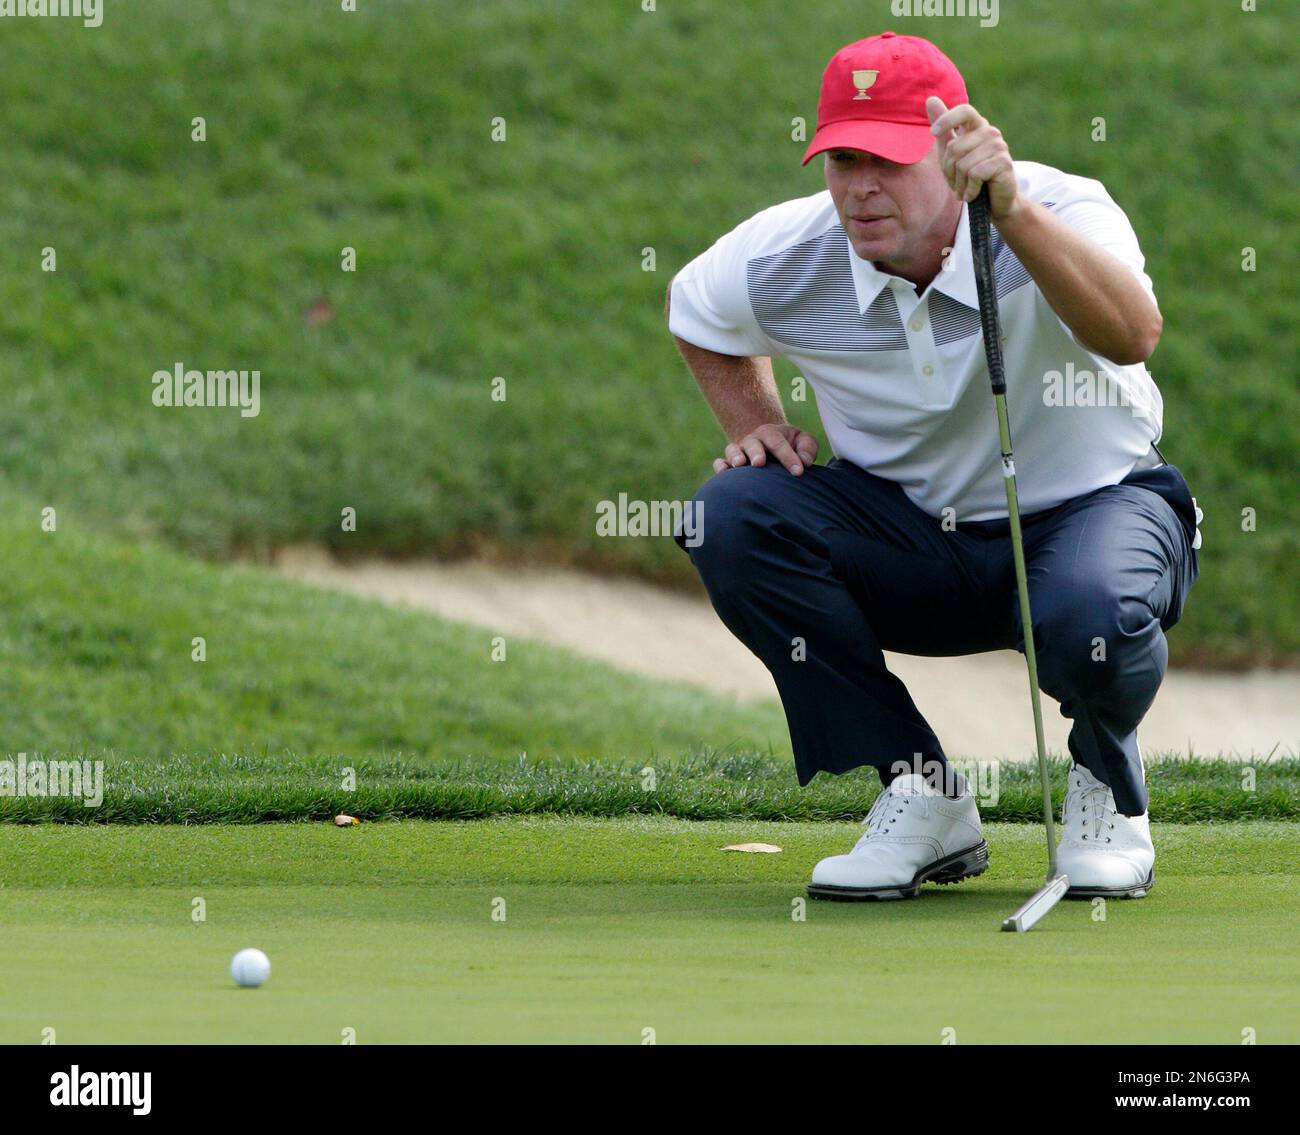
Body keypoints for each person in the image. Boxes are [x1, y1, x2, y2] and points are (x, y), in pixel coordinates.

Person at [665, 32, 1201, 902]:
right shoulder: (788, 255)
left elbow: (1132, 333)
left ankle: (1106, 783)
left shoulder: (1061, 206)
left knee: (1090, 606)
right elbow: (696, 311)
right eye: (842, 159)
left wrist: (1015, 216)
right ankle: (920, 791)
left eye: (887, 158)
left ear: (953, 148)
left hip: (1093, 516)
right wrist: (760, 425)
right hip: (910, 541)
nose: (860, 187)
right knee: (729, 515)